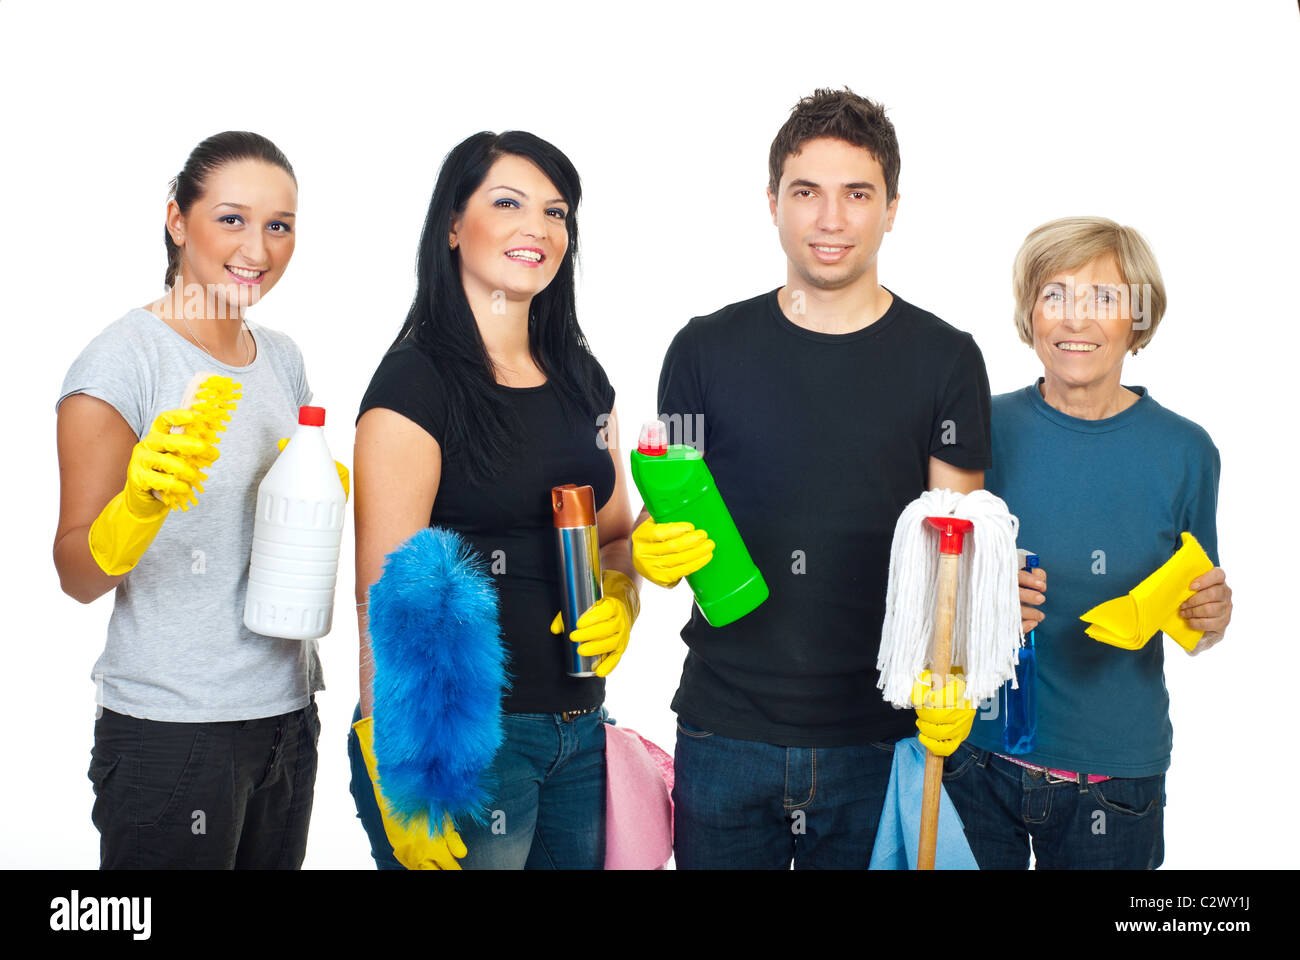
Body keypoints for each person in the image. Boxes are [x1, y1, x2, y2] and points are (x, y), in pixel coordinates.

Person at [633, 88, 991, 869]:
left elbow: (957, 548)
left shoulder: (946, 358)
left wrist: (954, 680)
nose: (831, 219)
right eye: (807, 193)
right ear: (773, 204)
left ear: (892, 208)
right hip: (724, 732)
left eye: (856, 194)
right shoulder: (701, 350)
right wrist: (648, 550)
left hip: (878, 736)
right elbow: (668, 507)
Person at [348, 130, 639, 870]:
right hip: (462, 746)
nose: (536, 228)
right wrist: (400, 769)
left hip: (580, 728)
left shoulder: (582, 377)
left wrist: (625, 598)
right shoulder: (413, 387)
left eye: (556, 211)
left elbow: (612, 536)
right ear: (452, 224)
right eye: (506, 203)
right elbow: (382, 602)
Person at [55, 131, 328, 868]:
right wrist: (136, 508)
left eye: (280, 225)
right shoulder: (123, 360)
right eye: (232, 219)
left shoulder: (282, 358)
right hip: (172, 733)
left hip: (288, 719)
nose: (258, 249)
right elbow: (77, 573)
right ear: (178, 220)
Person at [942, 216, 1233, 869]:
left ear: (1138, 320)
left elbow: (1194, 610)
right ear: (1030, 315)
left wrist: (1209, 616)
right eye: (1055, 295)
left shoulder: (1185, 452)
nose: (1076, 320)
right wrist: (980, 597)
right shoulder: (978, 427)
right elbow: (925, 577)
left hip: (1113, 783)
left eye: (1104, 298)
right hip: (977, 761)